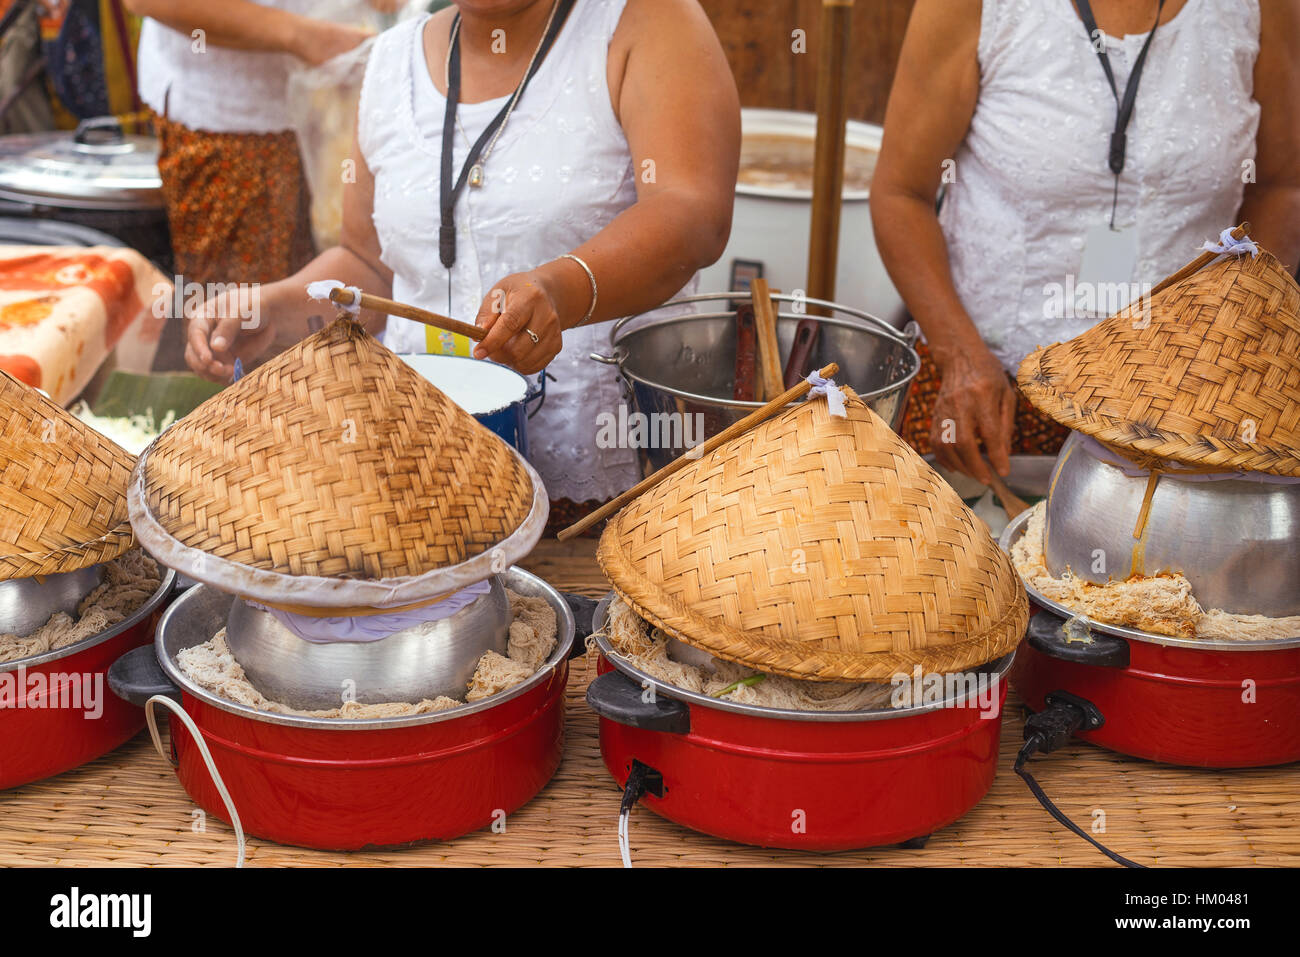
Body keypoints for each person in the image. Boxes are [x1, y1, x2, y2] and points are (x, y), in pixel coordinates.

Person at [185, 0, 739, 526]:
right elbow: (370, 266)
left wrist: (561, 289)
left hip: (605, 492)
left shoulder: (642, 24)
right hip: (418, 485)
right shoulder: (391, 61)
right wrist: (273, 308)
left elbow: (692, 213)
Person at [870, 0, 1300, 484]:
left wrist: (1230, 344)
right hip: (991, 398)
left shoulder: (1262, 8)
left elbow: (1281, 188)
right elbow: (901, 194)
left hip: (1189, 417)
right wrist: (963, 358)